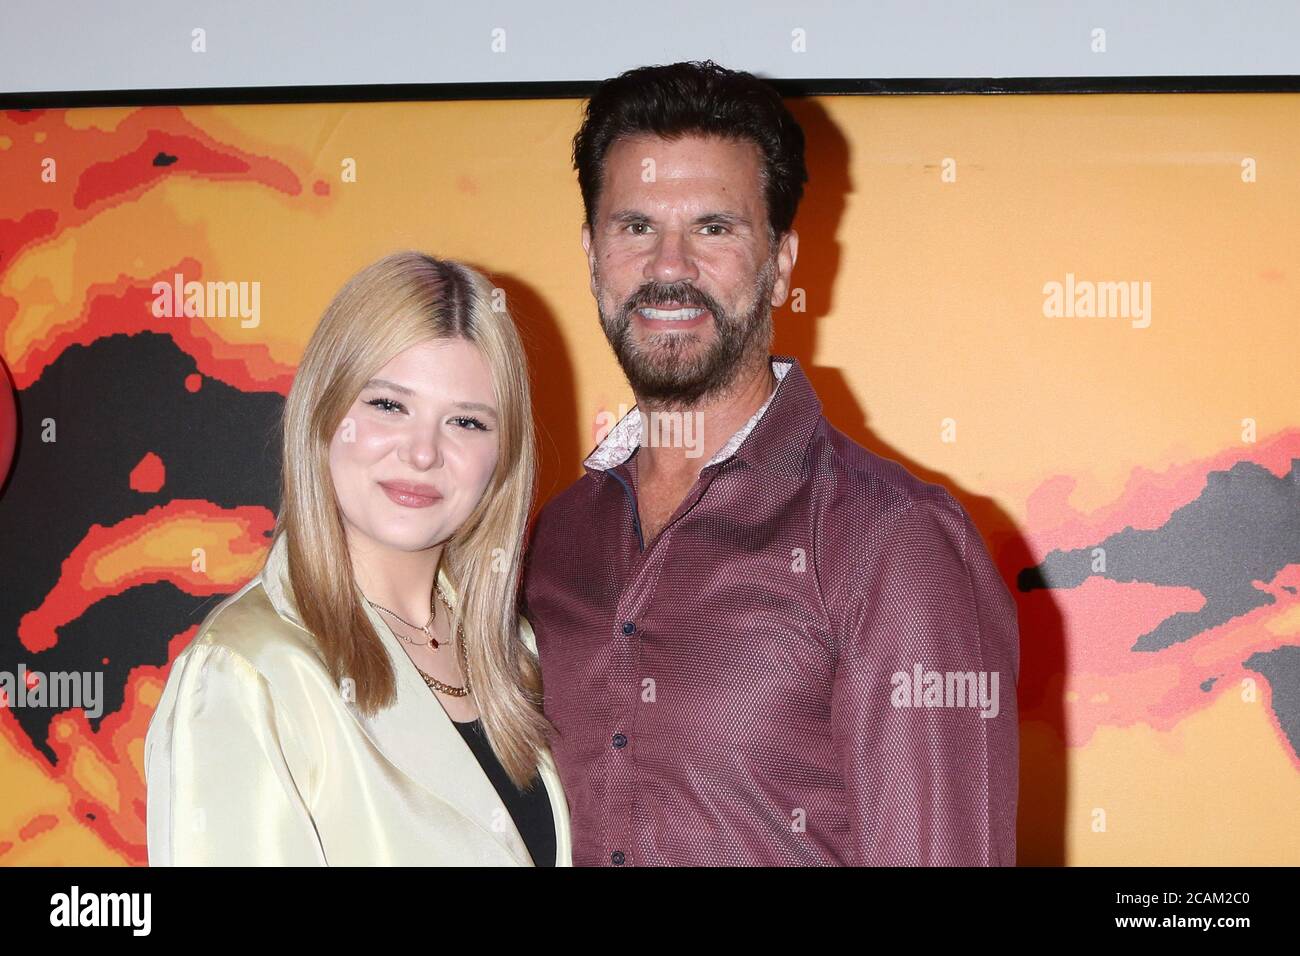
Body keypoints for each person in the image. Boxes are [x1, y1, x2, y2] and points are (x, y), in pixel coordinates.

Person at [523, 61, 1020, 866]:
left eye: (715, 228)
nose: (670, 266)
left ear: (782, 261)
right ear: (591, 251)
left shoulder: (894, 543)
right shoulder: (553, 539)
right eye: (635, 226)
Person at [145, 251, 571, 866]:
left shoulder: (517, 656)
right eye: (388, 405)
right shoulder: (246, 675)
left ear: (502, 458)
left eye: (467, 422)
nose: (423, 452)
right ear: (323, 412)